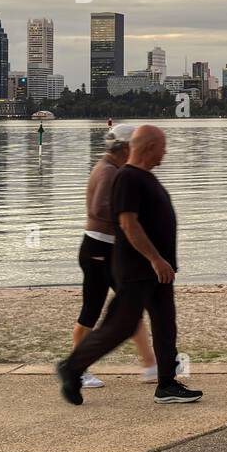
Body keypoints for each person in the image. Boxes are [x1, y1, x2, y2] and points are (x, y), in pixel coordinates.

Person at [58, 125, 202, 405]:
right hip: (138, 270)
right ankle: (72, 367)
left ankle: (166, 384)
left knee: (165, 326)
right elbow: (127, 223)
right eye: (162, 146)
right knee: (119, 327)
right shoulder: (126, 177)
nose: (166, 151)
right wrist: (155, 259)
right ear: (148, 147)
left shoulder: (143, 177)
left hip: (157, 272)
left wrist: (163, 262)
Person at [75, 123, 156, 388]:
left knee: (130, 306)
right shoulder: (109, 172)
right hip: (98, 250)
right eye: (134, 148)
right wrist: (128, 218)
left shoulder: (112, 168)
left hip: (107, 249)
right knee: (91, 311)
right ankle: (77, 368)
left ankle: (150, 365)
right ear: (124, 149)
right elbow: (100, 208)